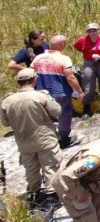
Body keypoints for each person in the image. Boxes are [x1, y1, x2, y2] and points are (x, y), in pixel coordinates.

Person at [0, 68, 62, 204]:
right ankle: (51, 195)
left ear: (18, 82)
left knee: (31, 169)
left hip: (23, 142)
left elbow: (5, 123)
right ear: (34, 80)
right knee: (50, 166)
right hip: (45, 139)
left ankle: (34, 195)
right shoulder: (41, 96)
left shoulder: (7, 101)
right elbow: (57, 111)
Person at [31, 34, 85, 148]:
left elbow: (31, 74)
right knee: (64, 114)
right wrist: (80, 92)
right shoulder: (63, 59)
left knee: (45, 116)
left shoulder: (38, 57)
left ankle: (46, 140)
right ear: (62, 45)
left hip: (41, 93)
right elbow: (70, 78)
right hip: (60, 92)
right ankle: (64, 139)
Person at [73, 22, 100, 115]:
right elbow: (77, 47)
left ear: (98, 30)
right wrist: (86, 54)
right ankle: (87, 109)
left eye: (94, 30)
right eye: (89, 31)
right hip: (89, 62)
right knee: (88, 83)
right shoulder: (82, 40)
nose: (92, 33)